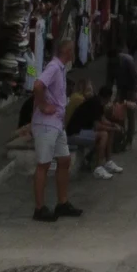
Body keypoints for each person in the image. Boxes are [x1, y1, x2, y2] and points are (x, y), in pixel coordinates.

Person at [31, 38, 83, 222]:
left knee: (64, 160)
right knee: (44, 164)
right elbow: (37, 85)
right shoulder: (53, 67)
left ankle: (62, 202)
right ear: (67, 52)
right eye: (73, 50)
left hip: (57, 123)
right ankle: (39, 208)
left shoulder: (61, 69)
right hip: (46, 123)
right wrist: (43, 105)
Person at [67, 84, 125, 179]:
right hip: (74, 133)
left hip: (82, 131)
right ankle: (98, 168)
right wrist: (114, 128)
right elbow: (97, 126)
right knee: (103, 134)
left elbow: (102, 119)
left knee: (109, 132)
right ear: (107, 97)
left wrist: (113, 125)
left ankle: (108, 162)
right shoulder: (95, 103)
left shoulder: (98, 102)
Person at [115, 44, 137, 147]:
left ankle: (128, 138)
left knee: (130, 114)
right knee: (120, 112)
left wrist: (134, 92)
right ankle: (121, 136)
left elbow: (135, 78)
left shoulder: (127, 60)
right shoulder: (117, 61)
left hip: (129, 88)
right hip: (122, 88)